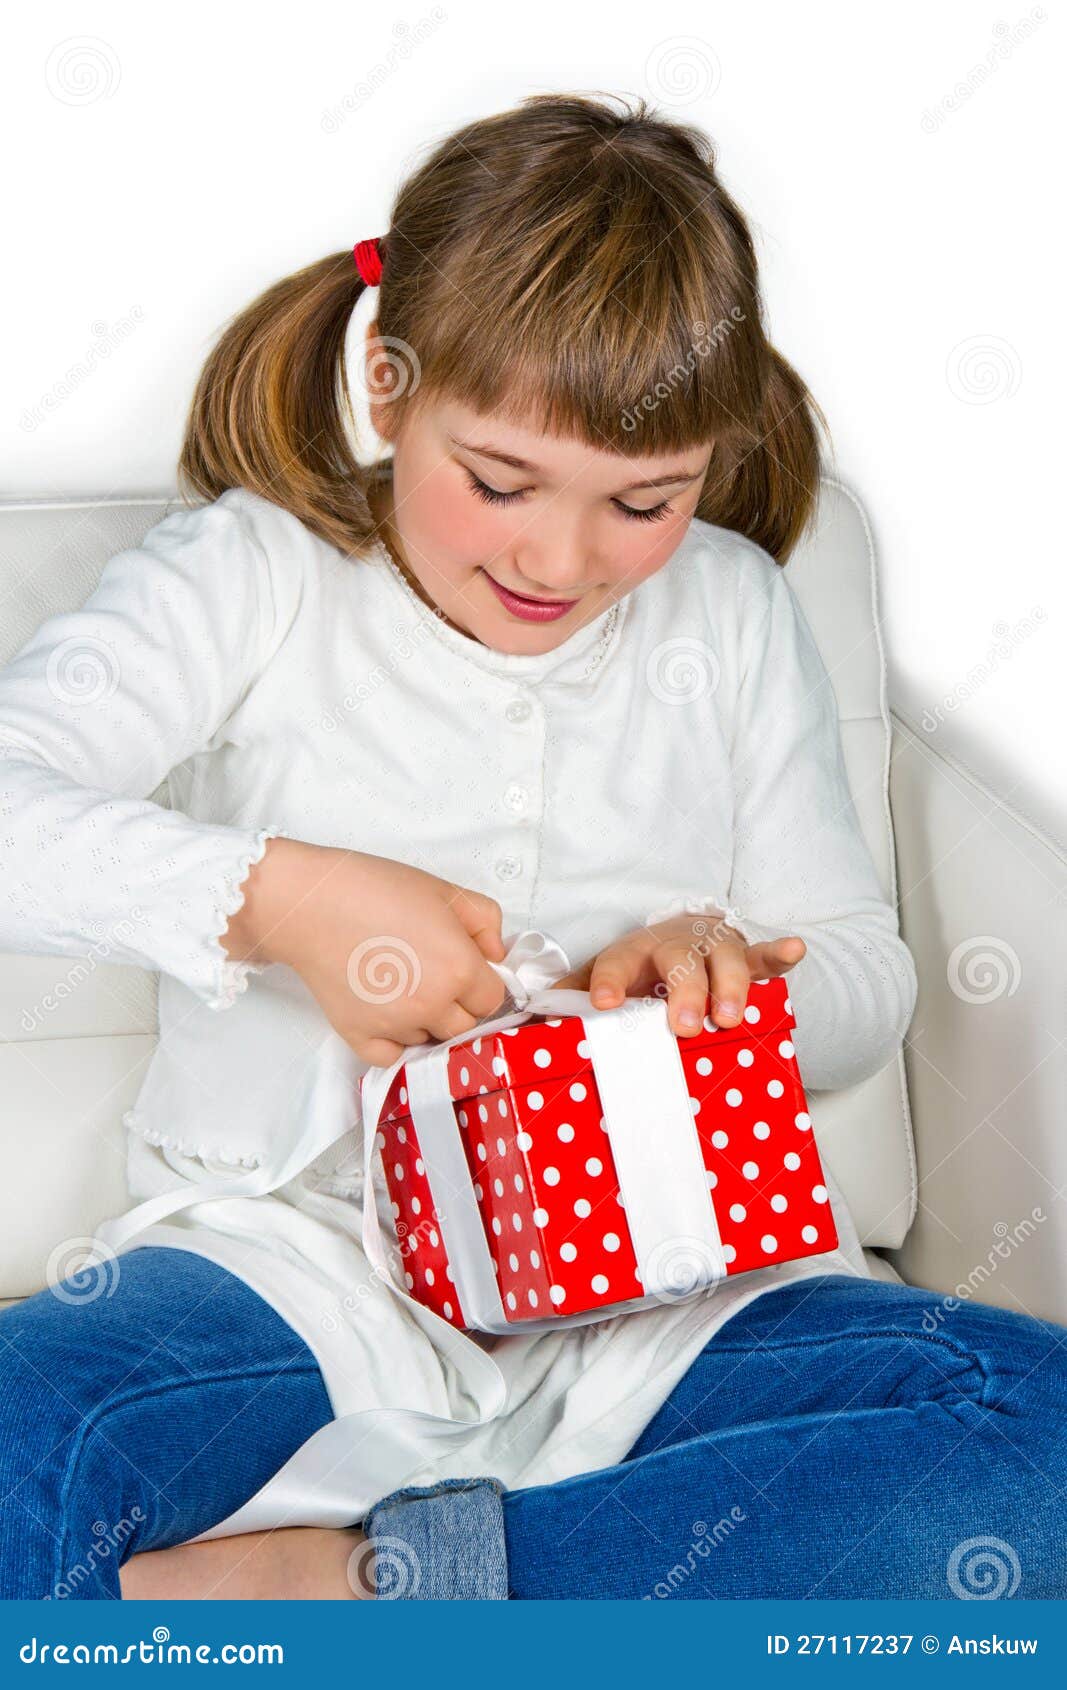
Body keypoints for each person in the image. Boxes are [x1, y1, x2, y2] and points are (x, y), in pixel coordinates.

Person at [2, 92, 1064, 1602]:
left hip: (677, 1295)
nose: (560, 561)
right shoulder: (257, 571)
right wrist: (275, 896)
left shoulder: (733, 610)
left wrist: (734, 982)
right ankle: (530, 1589)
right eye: (499, 480)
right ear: (387, 388)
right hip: (293, 1278)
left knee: (1042, 1445)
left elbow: (867, 978)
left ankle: (383, 1581)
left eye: (646, 499)